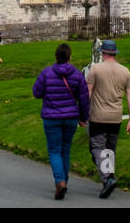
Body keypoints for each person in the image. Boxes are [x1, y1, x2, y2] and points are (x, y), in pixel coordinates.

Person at [32, 43, 89, 199]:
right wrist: (83, 117)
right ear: (70, 57)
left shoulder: (46, 73)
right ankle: (64, 180)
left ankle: (60, 181)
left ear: (56, 57)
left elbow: (36, 92)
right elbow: (84, 99)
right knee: (65, 149)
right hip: (70, 117)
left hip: (52, 117)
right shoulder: (77, 75)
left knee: (55, 150)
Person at [84, 40, 130, 198]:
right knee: (109, 149)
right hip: (116, 117)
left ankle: (107, 180)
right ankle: (110, 176)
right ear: (114, 53)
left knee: (97, 148)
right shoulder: (125, 71)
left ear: (103, 52)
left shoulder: (95, 69)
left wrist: (83, 114)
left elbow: (88, 93)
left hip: (98, 115)